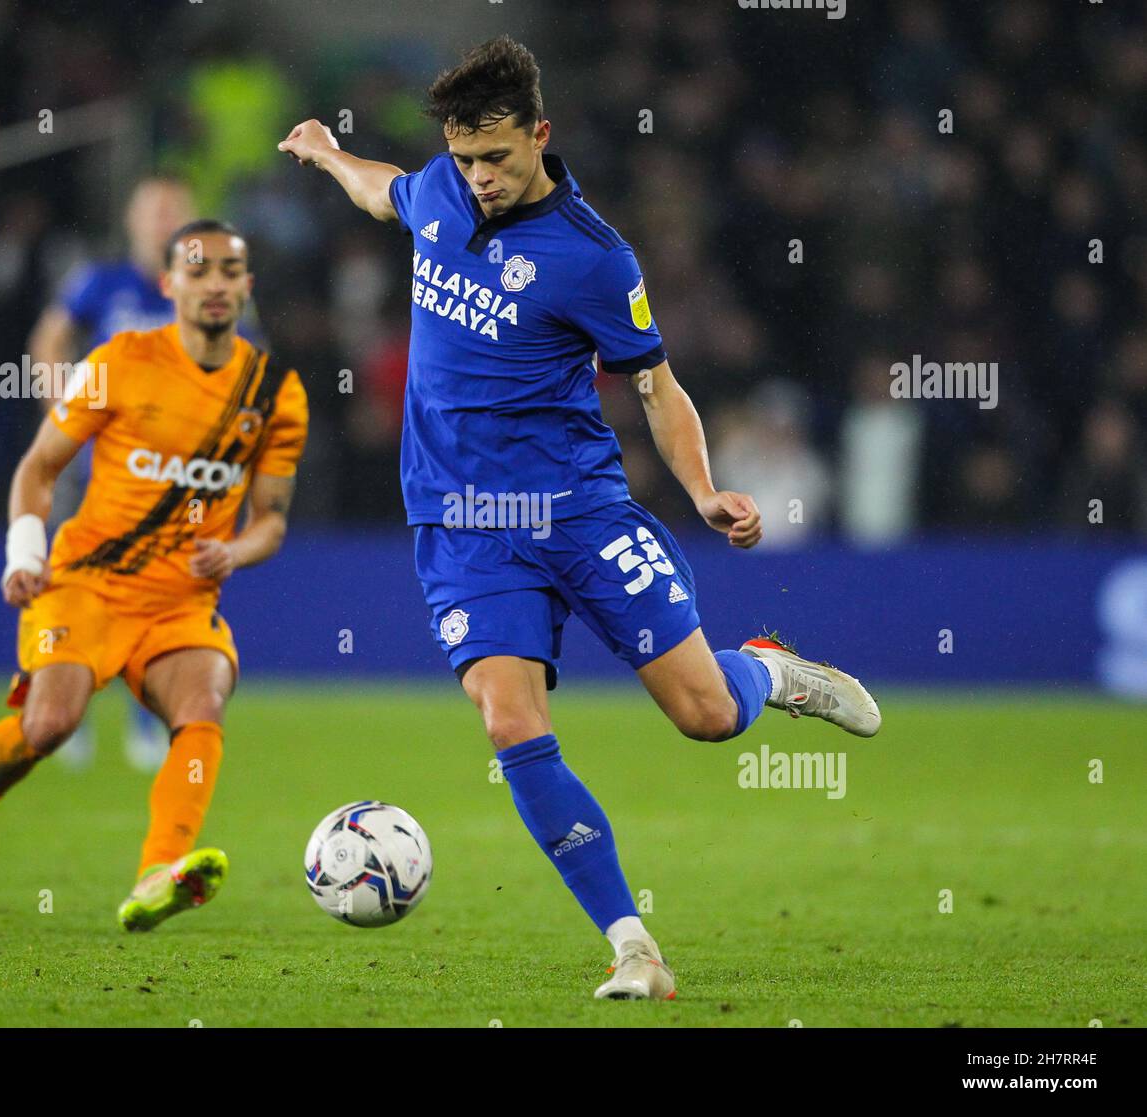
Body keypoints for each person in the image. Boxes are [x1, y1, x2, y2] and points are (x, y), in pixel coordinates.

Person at [279, 36, 879, 1001]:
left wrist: (700, 489)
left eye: (497, 160)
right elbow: (384, 186)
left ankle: (769, 670)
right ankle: (633, 944)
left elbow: (656, 385)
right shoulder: (439, 189)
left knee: (705, 714)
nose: (478, 179)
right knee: (509, 719)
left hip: (579, 510)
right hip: (463, 523)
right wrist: (327, 154)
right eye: (465, 159)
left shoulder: (596, 259)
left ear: (541, 136)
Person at [0, 221, 309, 932]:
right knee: (48, 724)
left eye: (229, 271)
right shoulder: (120, 361)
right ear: (169, 285)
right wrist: (25, 552)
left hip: (181, 598)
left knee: (203, 701)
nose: (214, 284)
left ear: (247, 287)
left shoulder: (274, 393)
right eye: (197, 271)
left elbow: (271, 519)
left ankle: (157, 871)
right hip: (87, 581)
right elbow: (38, 468)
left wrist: (235, 553)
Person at [28, 176, 193, 772]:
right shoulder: (100, 283)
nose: (161, 220)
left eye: (172, 209)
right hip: (100, 469)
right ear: (131, 220)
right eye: (151, 210)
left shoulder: (204, 289)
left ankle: (146, 719)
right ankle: (65, 713)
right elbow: (49, 340)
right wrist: (63, 412)